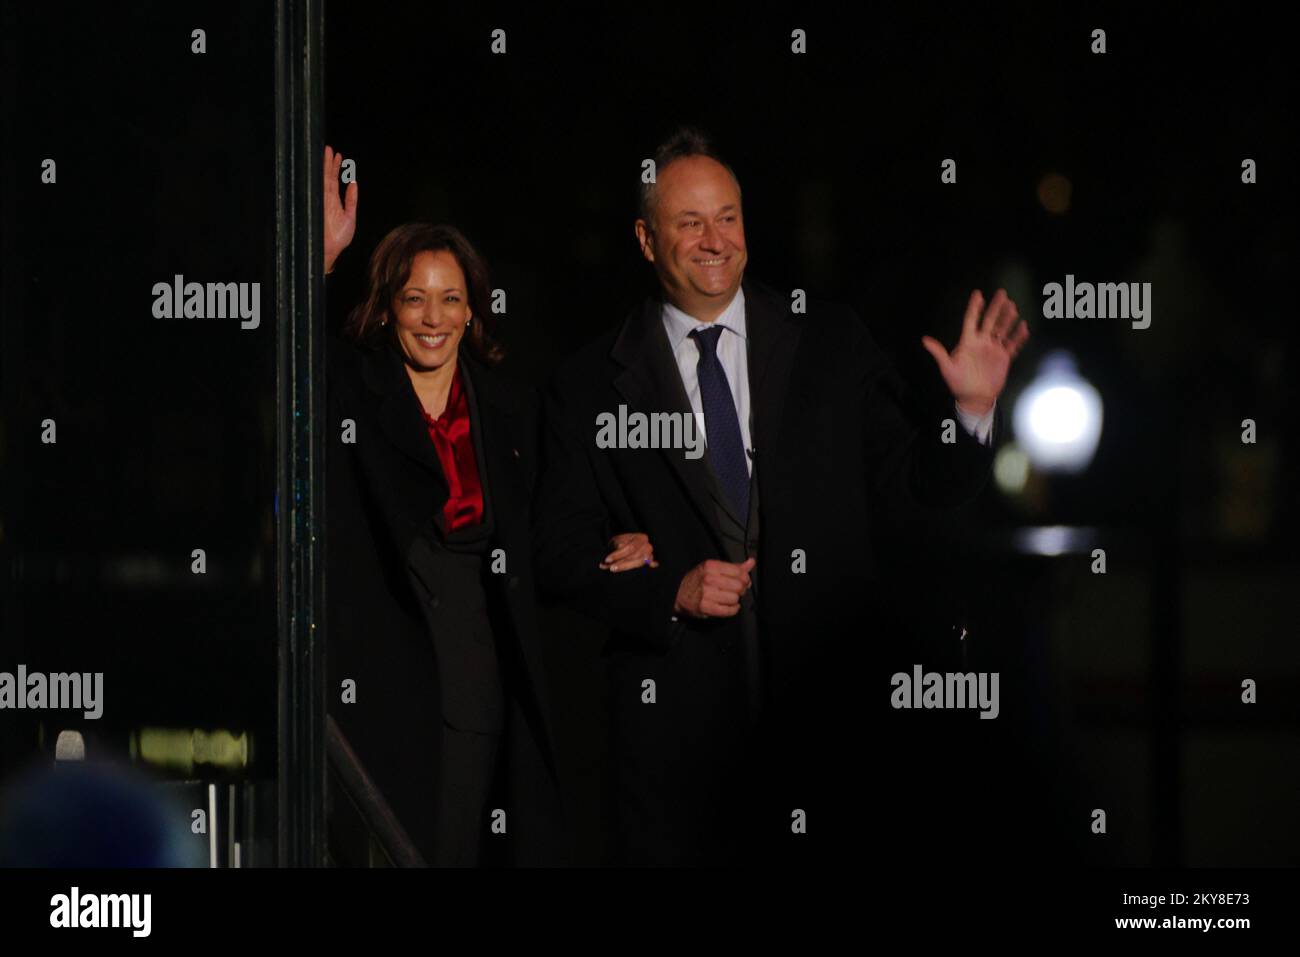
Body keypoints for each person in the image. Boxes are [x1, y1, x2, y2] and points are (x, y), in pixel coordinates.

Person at [533, 128, 1029, 865]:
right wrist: (670, 588)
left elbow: (917, 486)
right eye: (690, 221)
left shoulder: (830, 343)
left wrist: (972, 414)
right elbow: (558, 553)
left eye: (727, 217)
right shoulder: (583, 387)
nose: (715, 240)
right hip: (675, 763)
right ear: (645, 239)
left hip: (824, 740)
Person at [320, 146, 656, 866]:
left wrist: (609, 544)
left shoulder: (511, 413)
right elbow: (292, 376)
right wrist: (318, 261)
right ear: (387, 308)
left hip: (485, 700)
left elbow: (546, 533)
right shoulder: (353, 393)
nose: (433, 317)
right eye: (414, 298)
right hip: (382, 703)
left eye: (450, 297)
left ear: (474, 307)